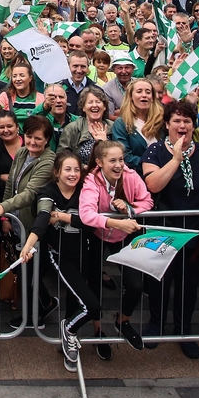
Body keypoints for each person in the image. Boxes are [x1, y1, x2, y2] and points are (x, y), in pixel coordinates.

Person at [142, 102, 199, 359]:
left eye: (187, 121)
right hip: (164, 227)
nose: (182, 126)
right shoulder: (155, 150)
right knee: (159, 281)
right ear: (167, 124)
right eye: (177, 121)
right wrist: (176, 159)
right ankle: (156, 324)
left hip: (196, 230)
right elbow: (154, 185)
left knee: (189, 284)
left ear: (194, 125)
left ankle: (184, 329)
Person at [16, 152, 91, 372]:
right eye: (68, 169)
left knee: (76, 303)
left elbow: (90, 220)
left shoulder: (85, 191)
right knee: (92, 307)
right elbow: (42, 218)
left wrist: (64, 216)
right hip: (60, 255)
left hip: (86, 254)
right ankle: (68, 329)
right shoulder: (48, 192)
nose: (73, 174)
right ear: (56, 172)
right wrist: (29, 245)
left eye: (77, 169)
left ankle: (67, 342)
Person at [78, 140, 152, 359]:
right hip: (99, 235)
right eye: (113, 160)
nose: (119, 165)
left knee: (136, 284)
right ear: (100, 162)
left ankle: (123, 321)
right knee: (94, 286)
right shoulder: (92, 180)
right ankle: (98, 331)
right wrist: (115, 222)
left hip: (125, 235)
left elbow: (147, 201)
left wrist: (130, 208)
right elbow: (86, 214)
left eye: (121, 159)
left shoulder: (130, 176)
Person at [0, 115, 57, 329]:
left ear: (47, 140)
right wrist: (6, 216)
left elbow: (29, 193)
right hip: (17, 223)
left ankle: (36, 316)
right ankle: (43, 306)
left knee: (31, 273)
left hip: (35, 227)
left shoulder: (48, 161)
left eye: (38, 138)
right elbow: (11, 188)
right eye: (29, 137)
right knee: (22, 271)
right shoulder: (22, 152)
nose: (32, 142)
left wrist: (2, 208)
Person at [112, 78, 161, 171]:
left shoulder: (161, 120)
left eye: (148, 92)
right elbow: (124, 156)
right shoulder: (121, 124)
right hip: (137, 176)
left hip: (164, 175)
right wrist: (151, 165)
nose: (144, 95)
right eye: (139, 91)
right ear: (130, 96)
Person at [59, 87, 113, 166]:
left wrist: (104, 143)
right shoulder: (72, 128)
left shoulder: (113, 127)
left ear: (104, 106)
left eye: (98, 102)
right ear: (83, 107)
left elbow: (120, 156)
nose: (94, 105)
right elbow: (62, 156)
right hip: (81, 174)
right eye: (90, 102)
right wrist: (83, 167)